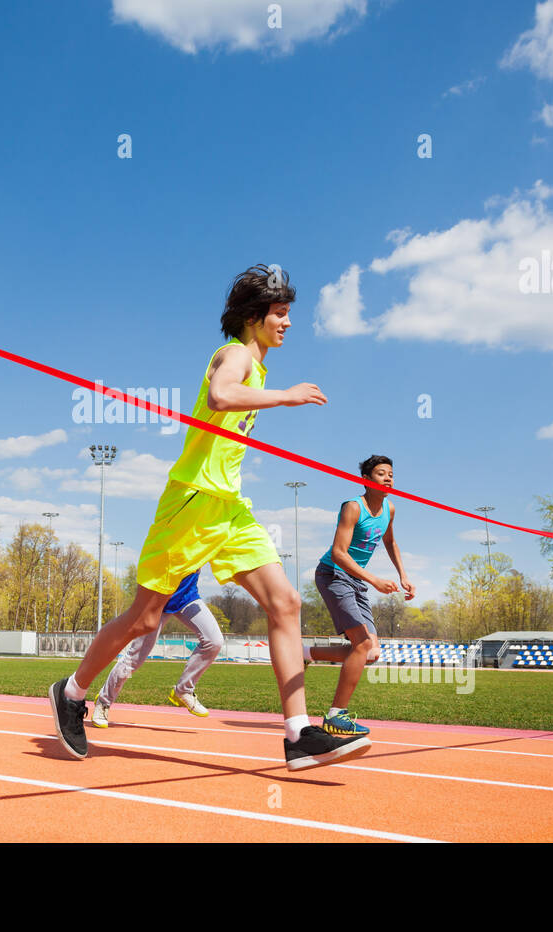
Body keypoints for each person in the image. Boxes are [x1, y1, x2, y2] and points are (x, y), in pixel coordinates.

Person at [49, 265, 371, 771]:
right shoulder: (236, 355)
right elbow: (222, 395)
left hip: (230, 507)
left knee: (285, 603)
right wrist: (287, 397)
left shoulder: (258, 366)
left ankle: (298, 734)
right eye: (280, 314)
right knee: (145, 618)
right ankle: (71, 692)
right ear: (253, 317)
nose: (288, 324)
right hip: (192, 502)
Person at [304, 455, 414, 738]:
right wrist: (375, 580)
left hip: (356, 580)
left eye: (391, 473)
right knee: (363, 643)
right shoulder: (353, 507)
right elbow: (339, 553)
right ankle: (335, 716)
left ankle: (304, 653)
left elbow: (390, 541)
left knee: (371, 653)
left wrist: (403, 575)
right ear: (367, 479)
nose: (388, 478)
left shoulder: (389, 508)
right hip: (333, 574)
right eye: (381, 473)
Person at [91, 569, 222, 728]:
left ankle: (183, 690)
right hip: (158, 598)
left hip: (187, 597)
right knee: (134, 659)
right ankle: (103, 701)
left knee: (214, 641)